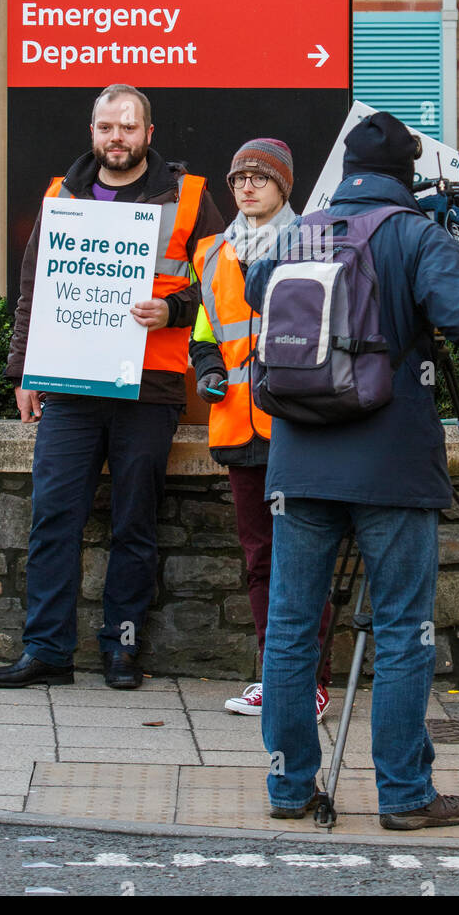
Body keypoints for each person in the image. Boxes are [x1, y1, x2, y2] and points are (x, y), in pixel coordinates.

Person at [245, 111, 459, 827]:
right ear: (406, 175)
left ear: (347, 169)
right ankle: (406, 794)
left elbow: (258, 291)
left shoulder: (301, 230)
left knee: (292, 630)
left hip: (299, 460)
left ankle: (290, 788)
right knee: (404, 627)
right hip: (390, 466)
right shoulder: (413, 234)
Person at [0, 85, 224, 691]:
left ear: (149, 132)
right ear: (93, 131)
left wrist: (174, 309)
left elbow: (224, 280)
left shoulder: (190, 196)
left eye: (129, 127)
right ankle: (47, 650)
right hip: (71, 385)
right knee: (53, 517)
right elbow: (34, 286)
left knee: (133, 523)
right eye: (107, 127)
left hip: (151, 386)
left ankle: (123, 647)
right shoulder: (61, 194)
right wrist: (22, 373)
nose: (118, 138)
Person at [190, 139, 332, 723]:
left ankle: (312, 683)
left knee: (303, 558)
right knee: (258, 559)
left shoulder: (313, 245)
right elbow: (205, 330)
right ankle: (274, 675)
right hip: (238, 429)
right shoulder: (214, 253)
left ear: (283, 187)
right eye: (238, 178)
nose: (247, 187)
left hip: (294, 430)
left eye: (259, 178)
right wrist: (209, 370)